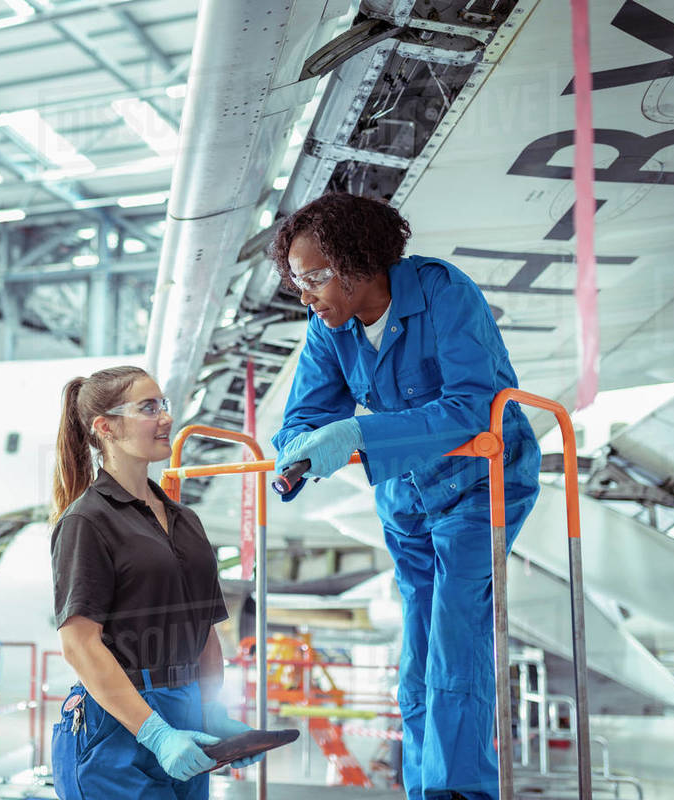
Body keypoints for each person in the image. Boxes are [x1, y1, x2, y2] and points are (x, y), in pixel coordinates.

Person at [268, 193, 541, 800]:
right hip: (408, 497)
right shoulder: (328, 328)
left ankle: (460, 791)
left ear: (358, 261)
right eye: (297, 282)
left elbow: (473, 408)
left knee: (455, 634)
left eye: (314, 277)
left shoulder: (444, 293)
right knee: (417, 646)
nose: (305, 296)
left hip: (482, 483)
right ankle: (423, 788)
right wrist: (295, 450)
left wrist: (359, 433)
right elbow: (303, 414)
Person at [49, 366, 263, 799]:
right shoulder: (86, 521)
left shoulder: (186, 520)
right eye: (148, 408)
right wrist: (156, 733)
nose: (166, 417)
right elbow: (79, 645)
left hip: (187, 713)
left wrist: (211, 709)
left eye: (163, 405)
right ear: (106, 427)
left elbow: (204, 630)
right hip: (119, 724)